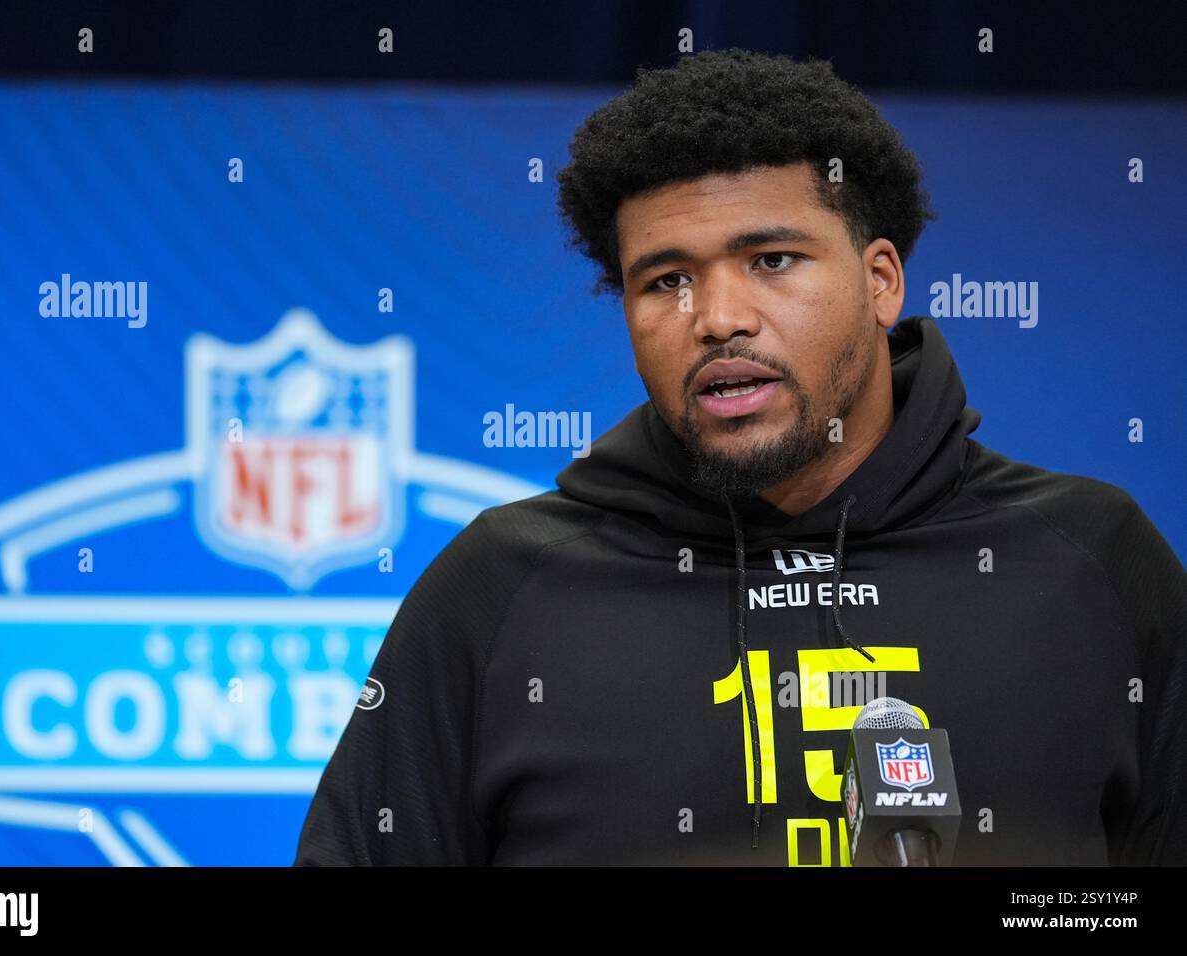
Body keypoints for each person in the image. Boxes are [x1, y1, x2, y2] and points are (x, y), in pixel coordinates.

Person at [294, 49, 1186, 866]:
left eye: (771, 259)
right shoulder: (497, 589)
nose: (717, 316)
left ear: (881, 282)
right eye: (665, 280)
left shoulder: (1093, 560)